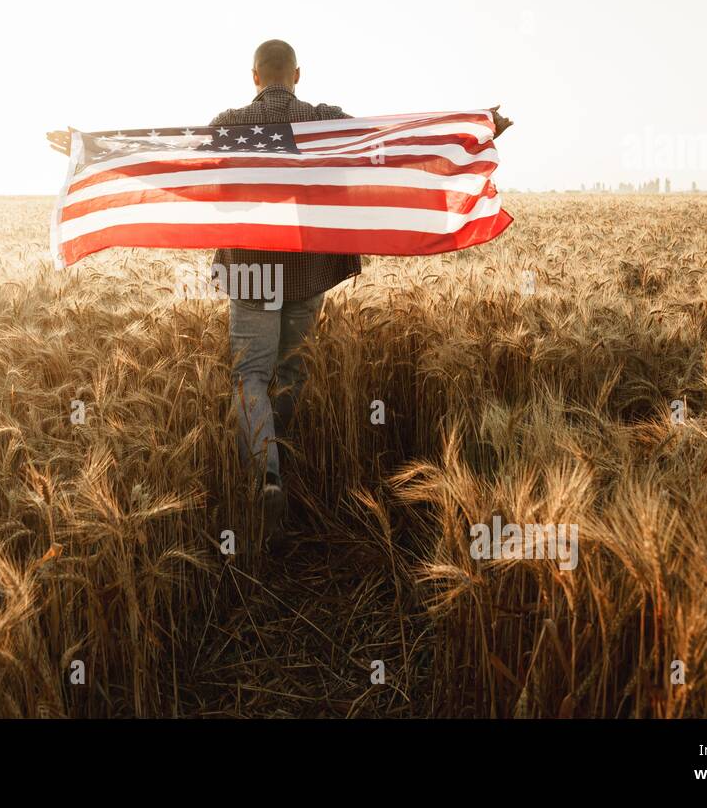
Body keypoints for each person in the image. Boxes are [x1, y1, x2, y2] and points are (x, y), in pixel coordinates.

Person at [46, 39, 511, 541]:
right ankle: (278, 449)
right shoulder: (325, 120)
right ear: (297, 74)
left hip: (249, 269)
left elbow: (174, 160)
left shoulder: (229, 124)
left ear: (254, 77)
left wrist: (90, 147)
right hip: (308, 269)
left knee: (250, 375)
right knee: (290, 370)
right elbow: (385, 145)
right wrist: (477, 128)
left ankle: (267, 474)